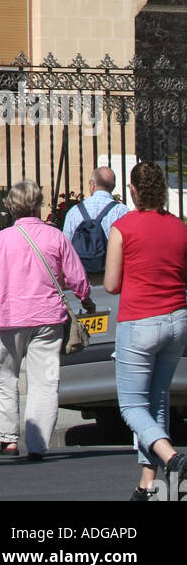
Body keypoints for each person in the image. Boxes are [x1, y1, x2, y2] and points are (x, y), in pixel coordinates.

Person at [0, 179, 94, 460]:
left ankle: (7, 438)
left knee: (6, 376)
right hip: (48, 318)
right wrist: (86, 300)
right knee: (45, 381)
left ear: (11, 208)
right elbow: (77, 277)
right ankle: (37, 443)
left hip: (11, 317)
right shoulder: (56, 237)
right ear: (38, 205)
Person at [104, 161, 187, 501]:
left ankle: (172, 458)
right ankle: (148, 483)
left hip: (139, 321)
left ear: (134, 191)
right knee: (157, 401)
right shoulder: (180, 228)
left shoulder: (123, 227)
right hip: (177, 319)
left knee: (132, 407)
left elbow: (110, 284)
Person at [63, 166, 128, 276]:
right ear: (113, 187)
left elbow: (65, 247)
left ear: (92, 185)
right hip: (111, 275)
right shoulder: (121, 211)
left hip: (81, 275)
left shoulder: (74, 212)